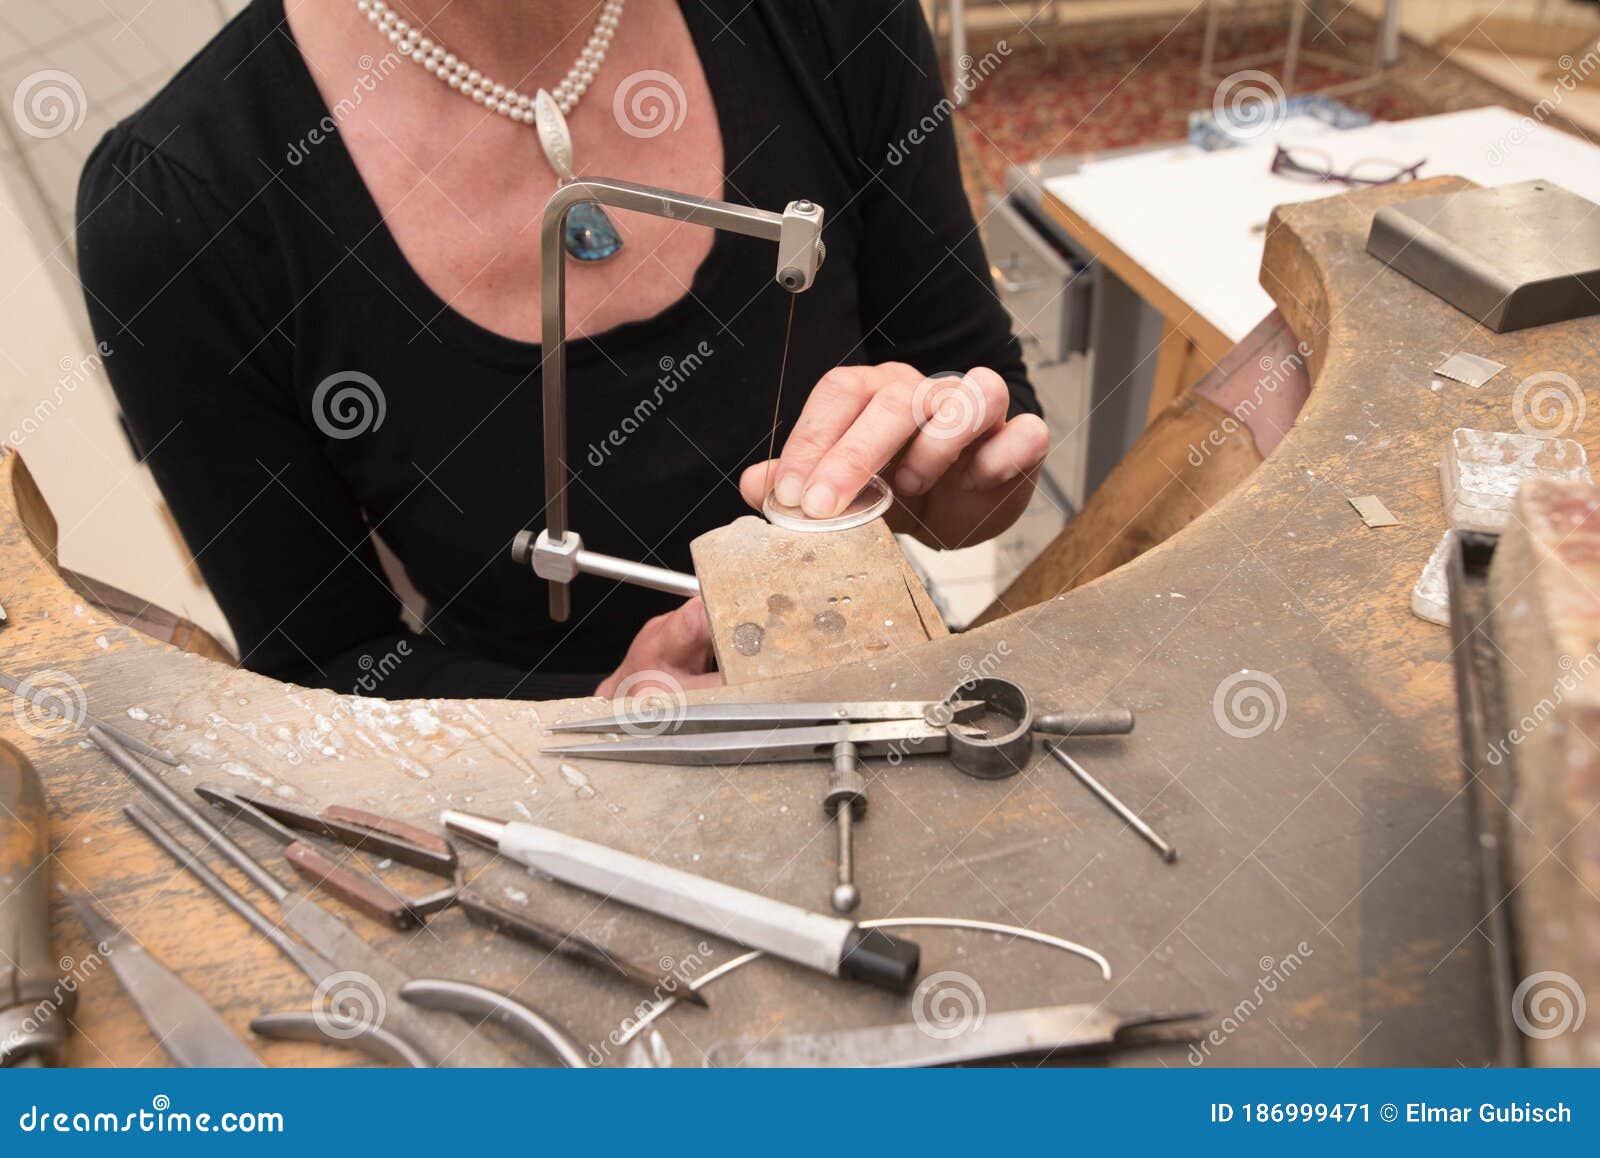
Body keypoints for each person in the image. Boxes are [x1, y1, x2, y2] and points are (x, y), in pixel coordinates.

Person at [76, 0, 1048, 700]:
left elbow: (981, 393)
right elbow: (324, 671)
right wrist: (591, 726)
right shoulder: (178, 209)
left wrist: (955, 470)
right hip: (533, 809)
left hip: (887, 700)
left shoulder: (824, 19)